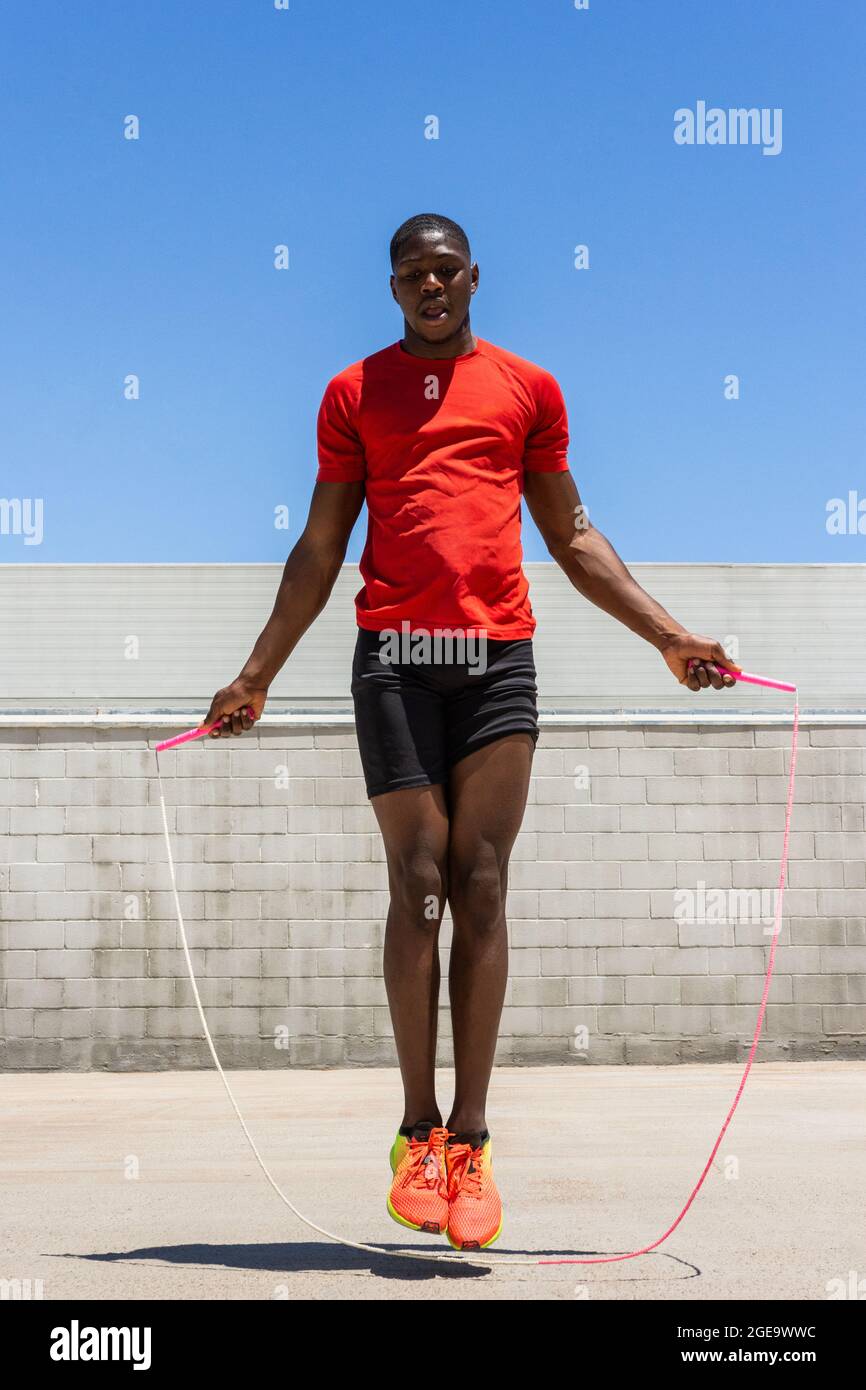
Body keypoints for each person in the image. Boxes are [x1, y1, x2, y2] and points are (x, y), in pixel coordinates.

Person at [203, 212, 739, 1252]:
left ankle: (472, 1143)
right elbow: (321, 544)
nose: (430, 285)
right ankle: (414, 1133)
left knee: (482, 878)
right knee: (421, 878)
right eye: (412, 274)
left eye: (445, 270)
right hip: (396, 661)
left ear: (474, 277)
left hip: (496, 659)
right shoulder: (353, 393)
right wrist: (255, 673)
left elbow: (571, 534)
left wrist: (666, 637)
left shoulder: (527, 389)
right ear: (393, 287)